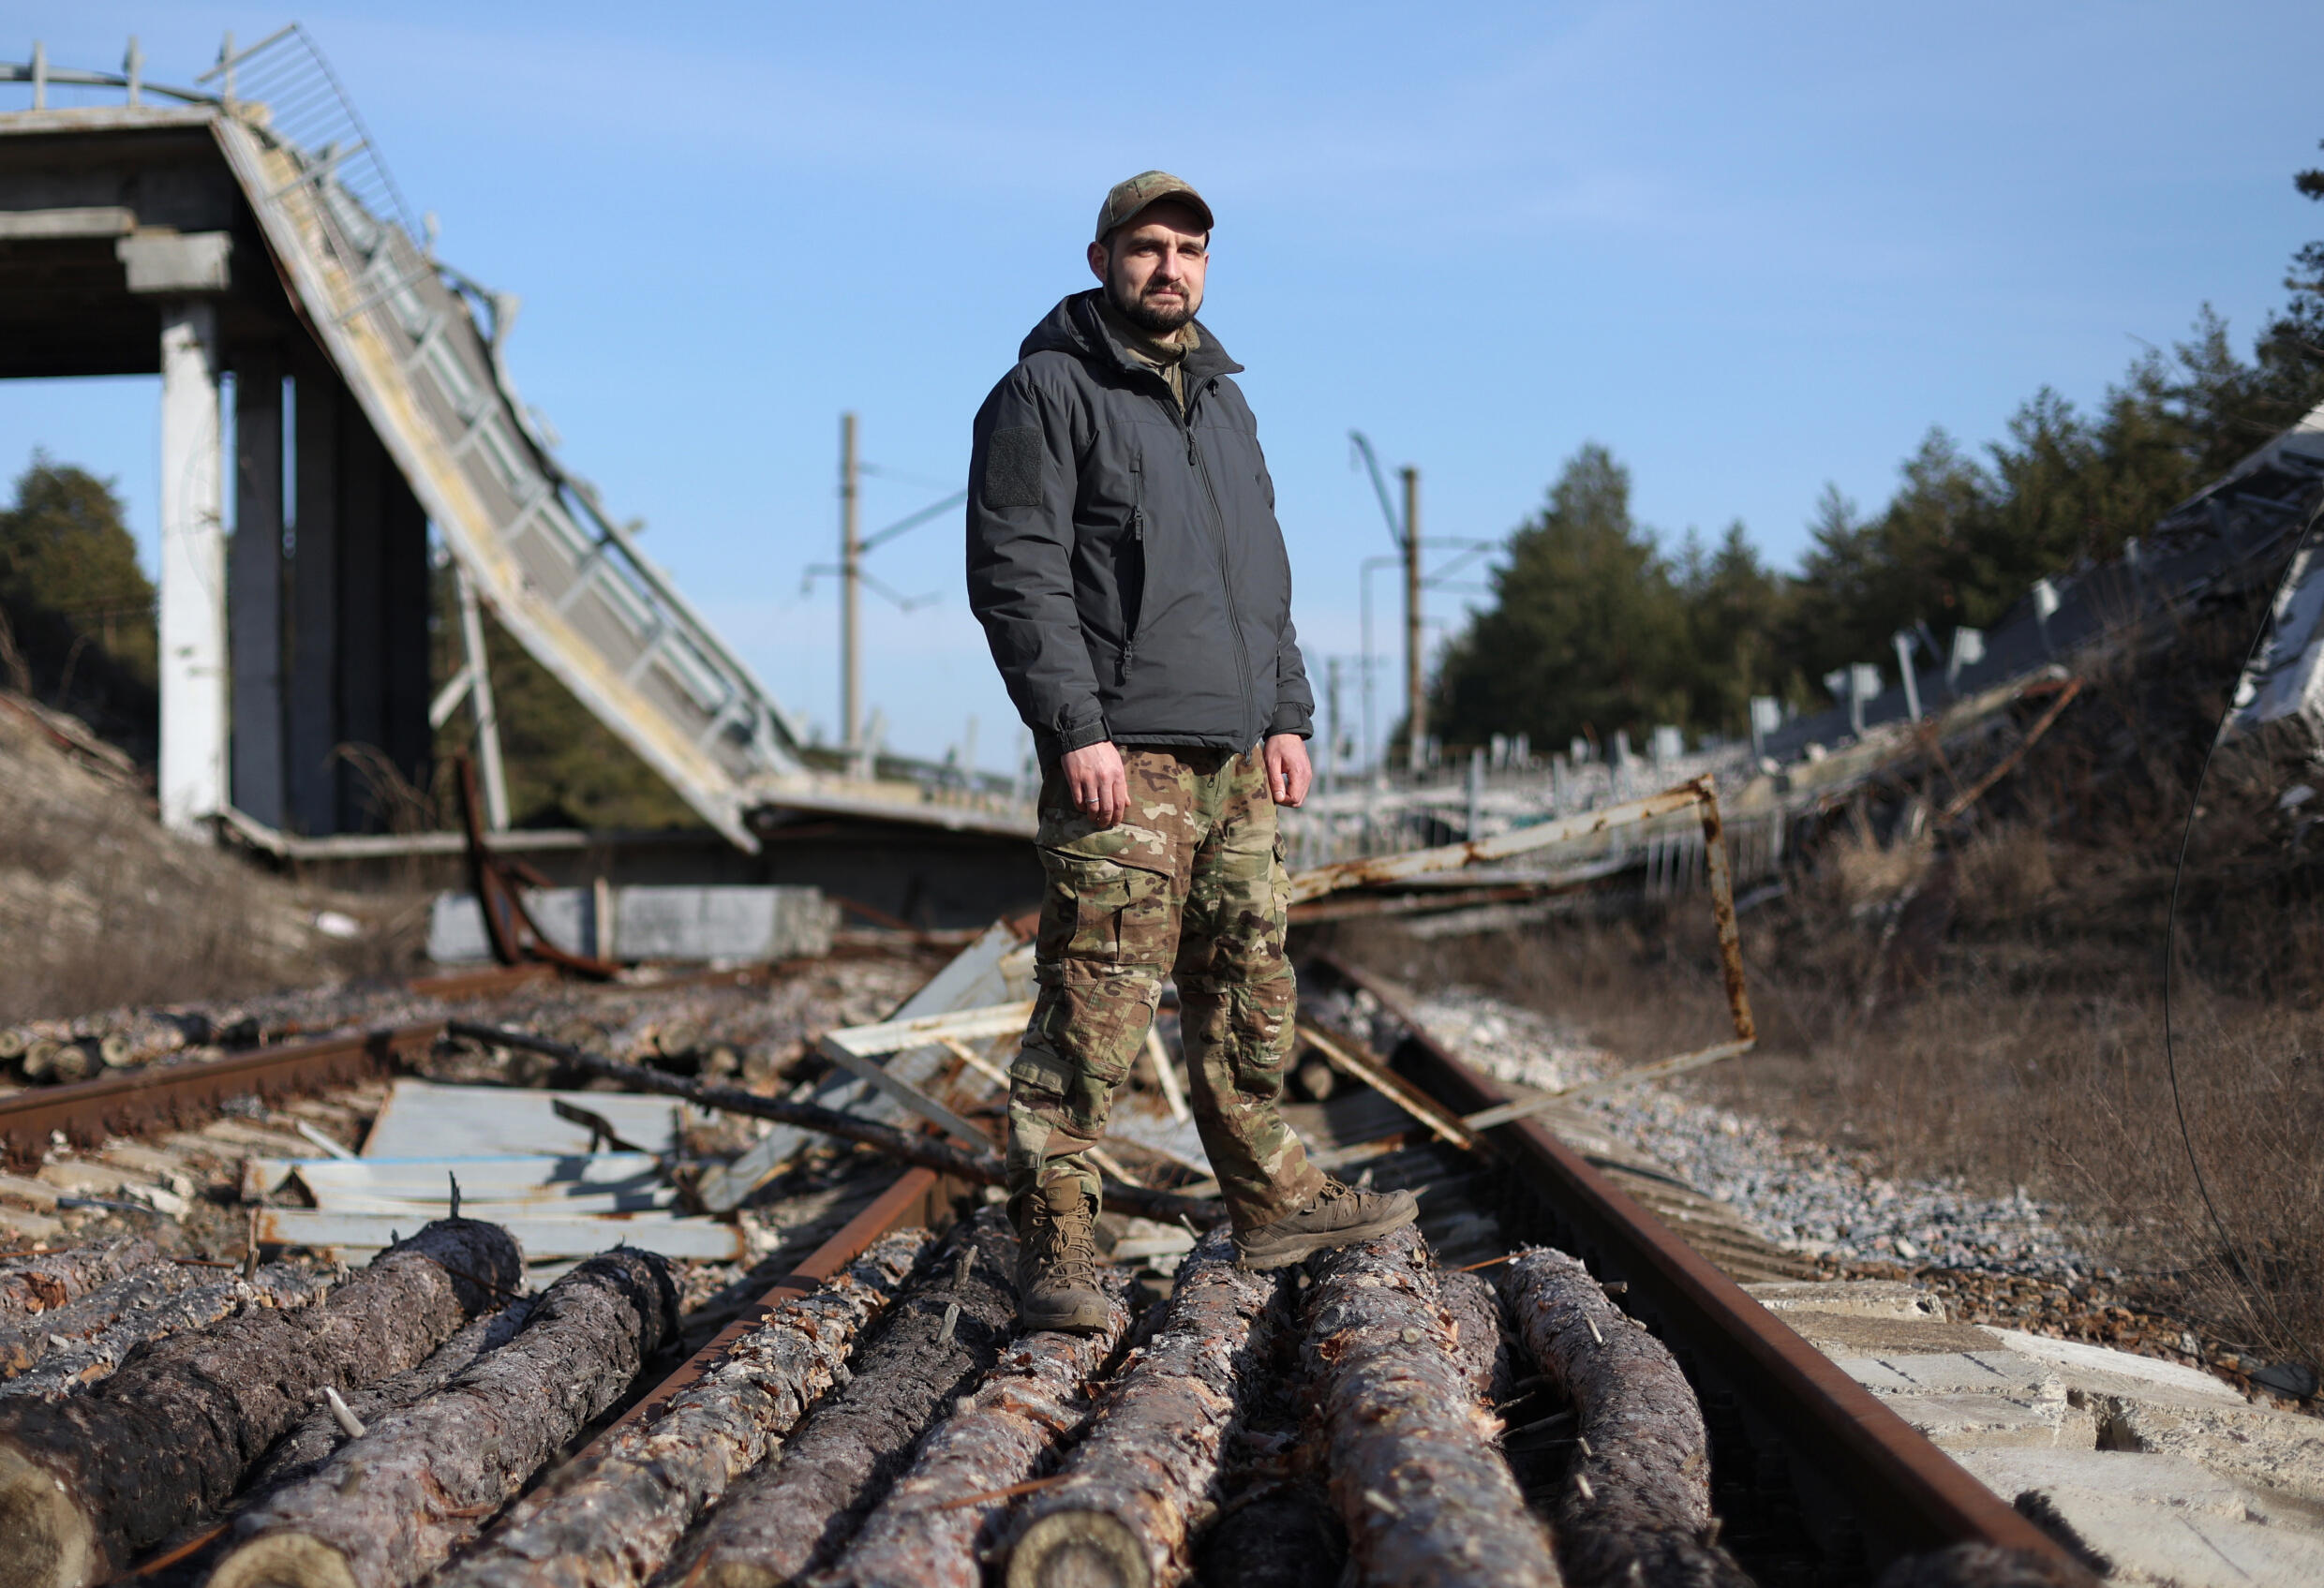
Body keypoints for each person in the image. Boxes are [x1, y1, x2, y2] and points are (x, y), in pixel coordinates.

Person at [966, 170, 1417, 1331]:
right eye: (1148, 247)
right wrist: (1074, 727)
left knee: (1248, 986)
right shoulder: (1044, 393)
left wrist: (1286, 711)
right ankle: (1057, 1240)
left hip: (1232, 756)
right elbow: (1017, 577)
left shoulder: (1222, 402)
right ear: (1100, 256)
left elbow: (1257, 574)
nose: (1170, 268)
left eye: (1191, 251)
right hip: (1127, 756)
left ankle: (1270, 1198)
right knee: (1098, 1000)